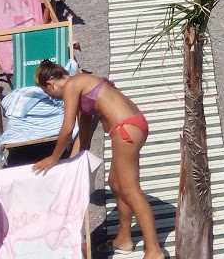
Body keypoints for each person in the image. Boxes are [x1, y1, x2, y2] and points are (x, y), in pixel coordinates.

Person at [33, 61, 165, 259]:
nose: (52, 98)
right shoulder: (81, 87)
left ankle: (154, 250)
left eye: (47, 93)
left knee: (130, 190)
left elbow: (67, 128)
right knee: (115, 183)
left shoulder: (72, 85)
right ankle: (124, 238)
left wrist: (53, 158)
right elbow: (83, 135)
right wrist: (73, 164)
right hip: (131, 125)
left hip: (126, 129)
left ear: (50, 84)